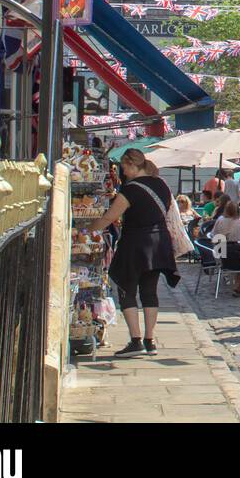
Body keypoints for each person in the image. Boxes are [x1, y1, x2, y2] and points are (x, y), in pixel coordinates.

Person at [89, 148, 178, 357]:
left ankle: (136, 340)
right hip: (158, 243)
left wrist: (86, 230)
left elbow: (110, 217)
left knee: (126, 289)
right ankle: (150, 340)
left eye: (124, 167)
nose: (123, 172)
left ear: (131, 164)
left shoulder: (130, 189)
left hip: (135, 243)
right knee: (150, 291)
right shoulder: (162, 185)